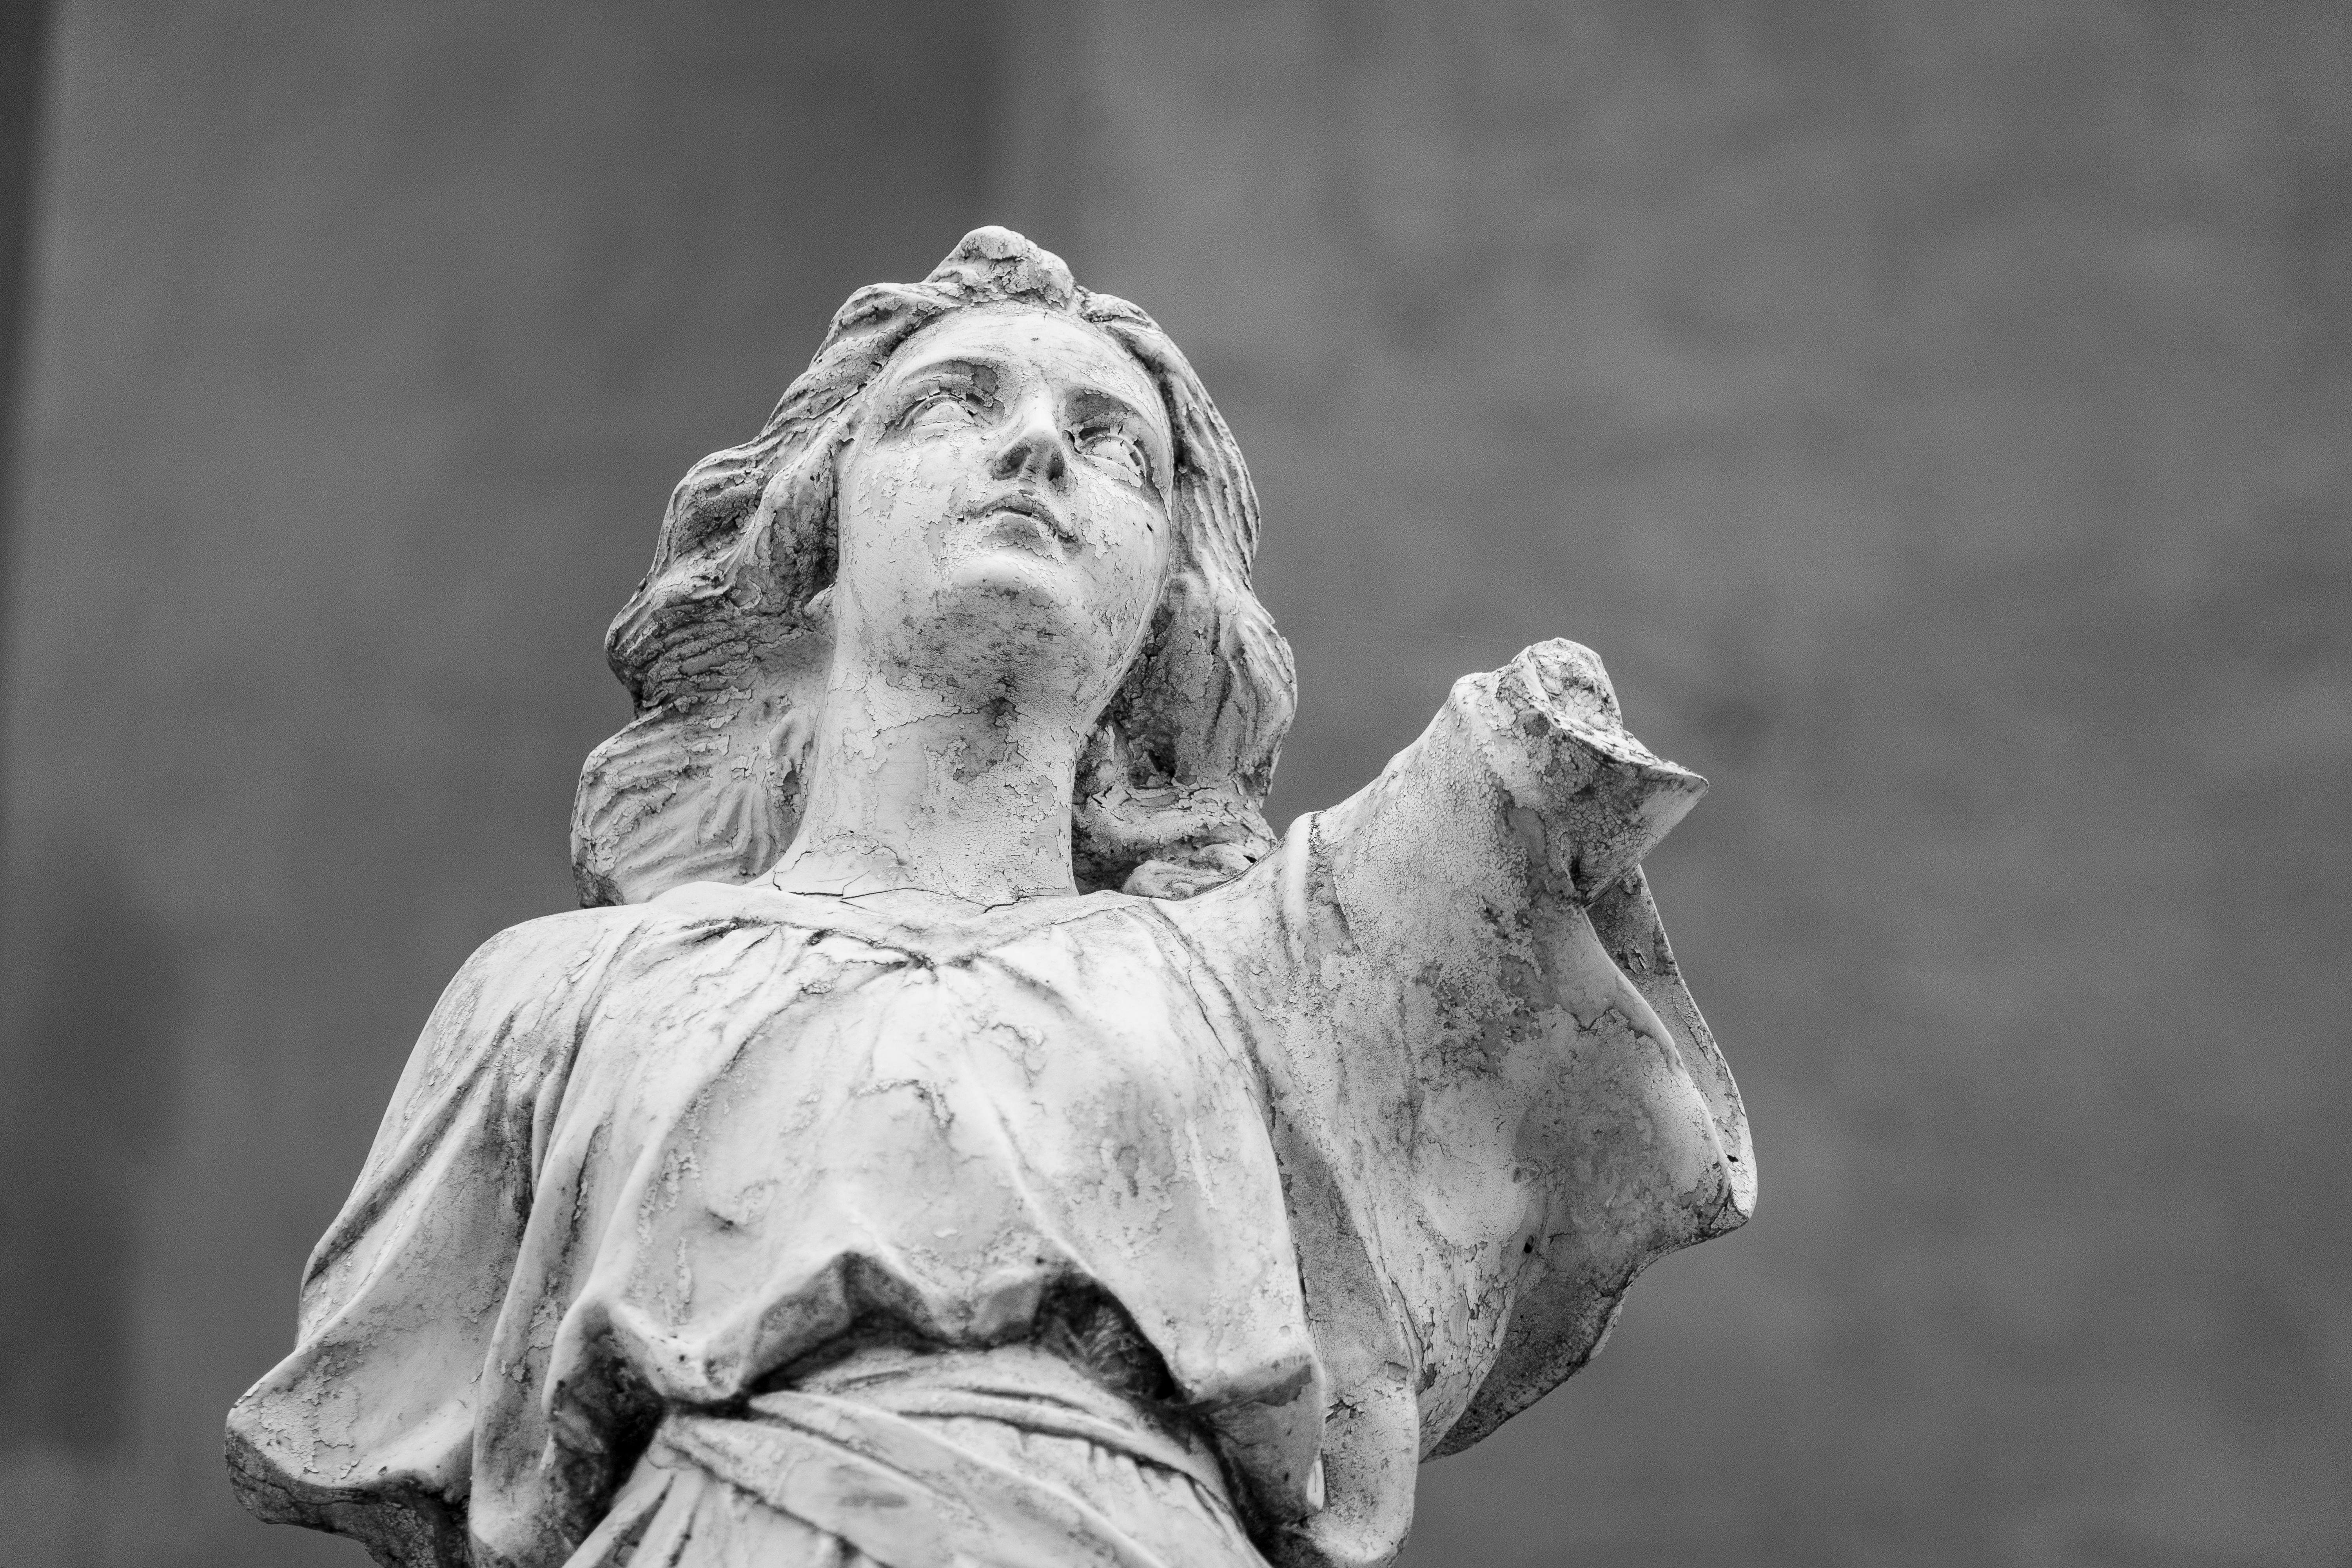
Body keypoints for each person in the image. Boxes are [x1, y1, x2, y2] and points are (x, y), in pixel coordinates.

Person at [226, 228, 1754, 1568]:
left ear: (1167, 603)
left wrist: (1534, 758)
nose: (1037, 451)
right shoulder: (552, 995)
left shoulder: (1258, 974)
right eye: (953, 407)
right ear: (815, 545)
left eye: (1114, 445)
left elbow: (1476, 833)